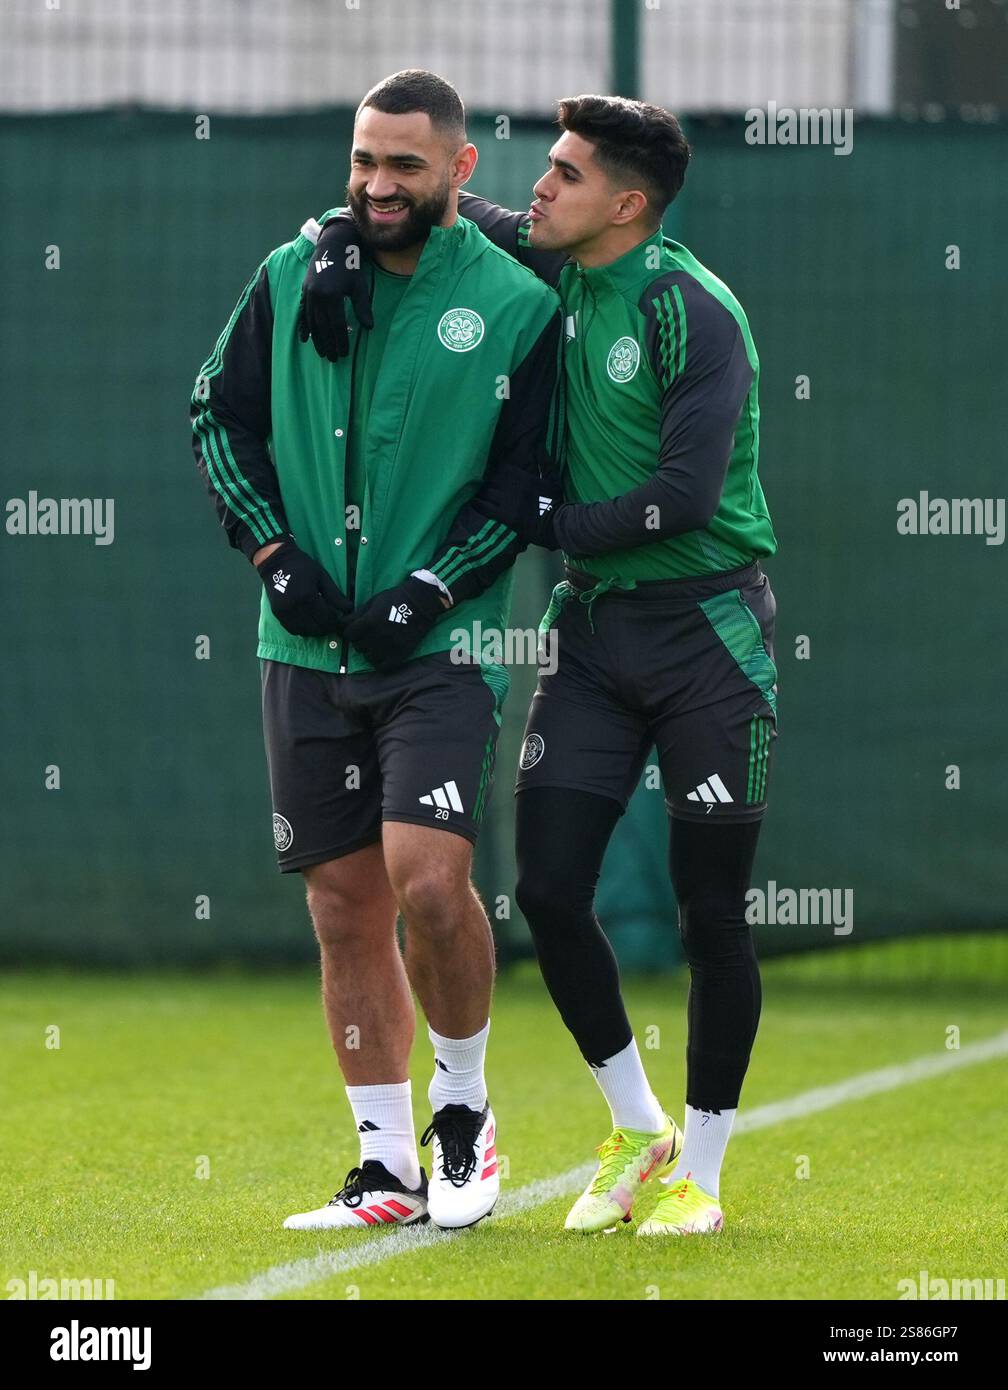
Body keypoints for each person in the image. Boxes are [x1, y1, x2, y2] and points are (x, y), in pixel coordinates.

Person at [299, 93, 778, 1237]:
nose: (539, 189)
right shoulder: (553, 257)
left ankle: (700, 1173)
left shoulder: (692, 311)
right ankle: (636, 1124)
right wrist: (326, 241)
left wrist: (540, 514)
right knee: (552, 889)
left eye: (564, 175)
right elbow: (409, 197)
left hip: (712, 632)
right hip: (597, 633)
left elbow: (685, 497)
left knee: (711, 912)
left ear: (625, 202)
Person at [190, 68, 562, 1232]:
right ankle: (385, 1164)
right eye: (363, 160)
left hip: (436, 647)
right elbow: (216, 413)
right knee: (345, 910)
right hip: (298, 644)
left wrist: (434, 586)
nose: (376, 183)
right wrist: (275, 560)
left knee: (429, 879)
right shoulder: (293, 273)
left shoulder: (514, 303)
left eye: (405, 163)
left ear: (459, 170)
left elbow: (525, 484)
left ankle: (463, 1110)